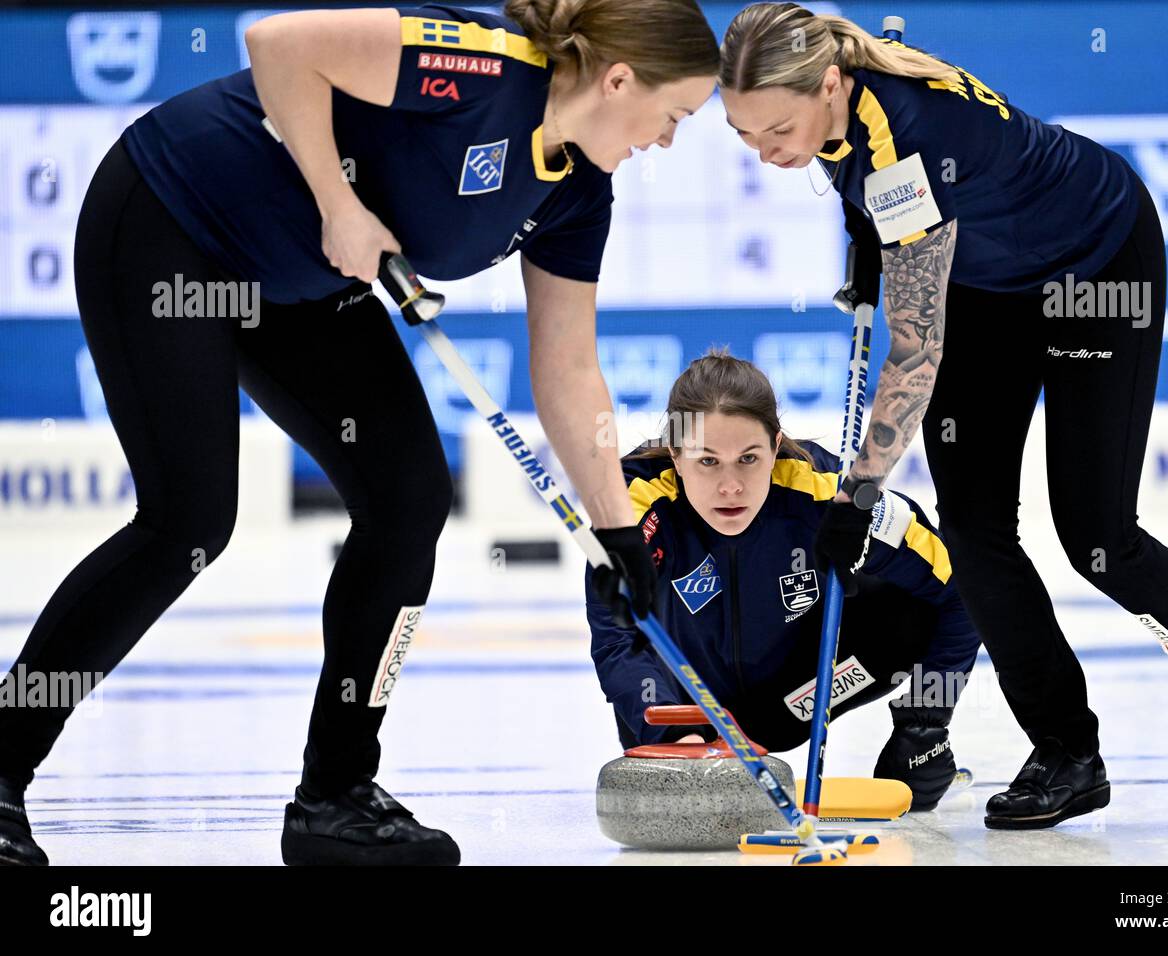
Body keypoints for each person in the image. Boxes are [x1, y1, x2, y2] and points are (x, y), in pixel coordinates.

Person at [0, 0, 717, 867]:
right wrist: (338, 204)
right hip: (171, 223)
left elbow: (567, 368)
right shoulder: (487, 67)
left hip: (297, 282)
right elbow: (279, 45)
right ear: (617, 79)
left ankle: (333, 796)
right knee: (188, 524)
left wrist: (616, 532)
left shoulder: (578, 195)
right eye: (674, 116)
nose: (671, 142)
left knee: (408, 501)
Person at [718, 2, 1168, 829]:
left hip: (1095, 264)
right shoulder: (851, 121)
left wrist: (859, 495)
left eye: (775, 128)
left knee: (1098, 537)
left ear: (831, 83)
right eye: (742, 135)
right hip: (988, 283)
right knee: (975, 529)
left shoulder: (905, 143)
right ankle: (1066, 749)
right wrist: (869, 237)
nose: (764, 152)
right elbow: (884, 200)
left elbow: (915, 354)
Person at [586, 350, 980, 809]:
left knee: (910, 608)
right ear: (674, 451)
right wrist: (676, 734)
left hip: (791, 707)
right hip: (681, 711)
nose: (730, 486)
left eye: (749, 459)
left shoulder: (827, 494)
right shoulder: (631, 510)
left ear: (775, 446)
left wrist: (927, 721)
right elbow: (617, 641)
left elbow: (964, 589)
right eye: (707, 462)